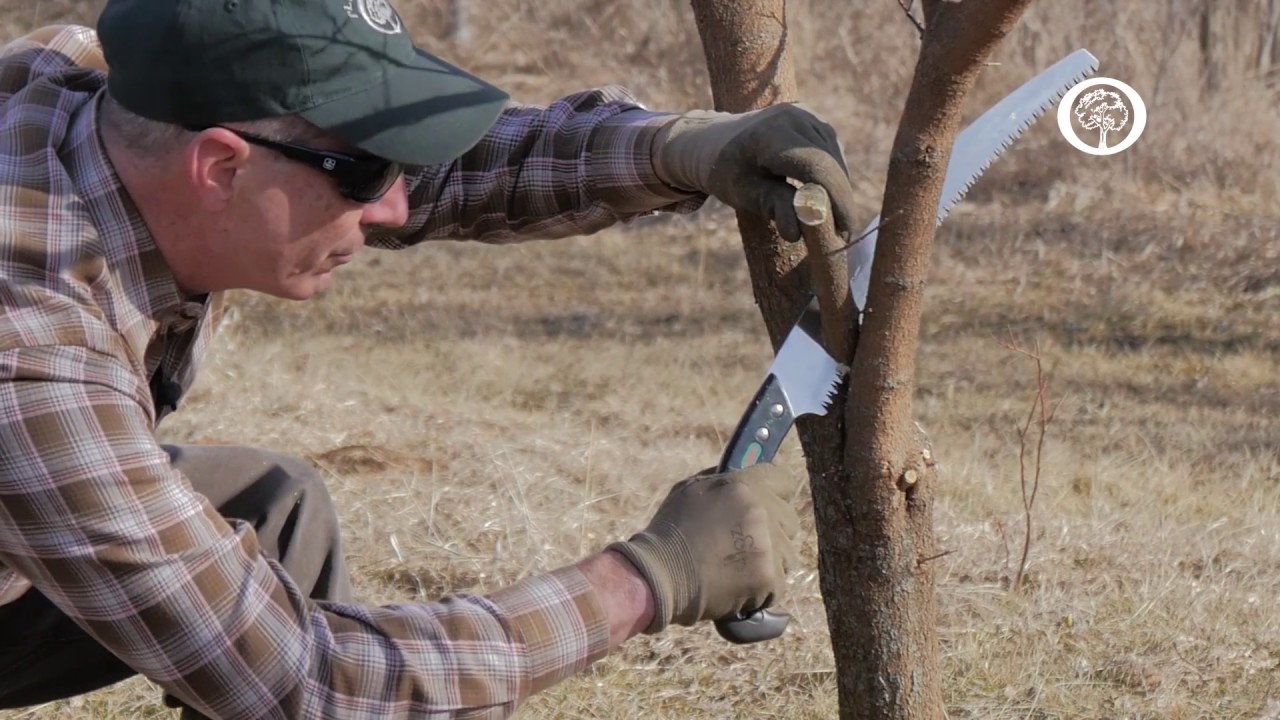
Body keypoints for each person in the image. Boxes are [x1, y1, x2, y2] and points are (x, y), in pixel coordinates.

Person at [0, 1, 859, 717]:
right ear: (220, 166)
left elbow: (433, 173)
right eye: (370, 174)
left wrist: (675, 149)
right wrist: (646, 580)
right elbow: (302, 679)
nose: (398, 204)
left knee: (276, 510)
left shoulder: (86, 96)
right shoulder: (30, 353)